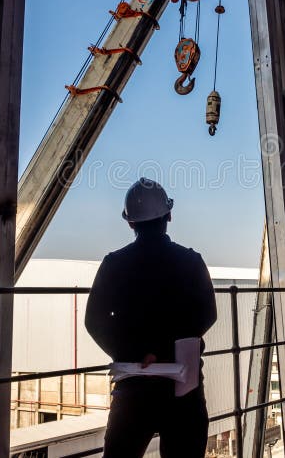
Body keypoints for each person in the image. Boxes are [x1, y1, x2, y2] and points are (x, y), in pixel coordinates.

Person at [85, 178, 217, 458]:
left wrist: (134, 354)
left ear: (130, 222)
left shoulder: (114, 264)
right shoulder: (191, 261)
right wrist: (166, 350)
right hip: (183, 383)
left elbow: (93, 321)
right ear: (169, 215)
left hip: (133, 382)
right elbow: (208, 313)